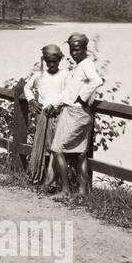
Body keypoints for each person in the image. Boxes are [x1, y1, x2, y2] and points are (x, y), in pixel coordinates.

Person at [50, 32, 105, 199]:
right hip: (74, 112)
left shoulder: (87, 64)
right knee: (80, 153)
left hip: (77, 113)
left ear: (84, 49)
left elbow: (96, 81)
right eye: (72, 50)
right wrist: (55, 104)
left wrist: (82, 97)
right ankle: (82, 192)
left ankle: (65, 191)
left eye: (77, 49)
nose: (74, 53)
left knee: (58, 148)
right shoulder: (79, 66)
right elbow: (69, 92)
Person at [22, 43, 68, 189]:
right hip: (44, 116)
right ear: (45, 61)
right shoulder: (39, 75)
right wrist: (32, 100)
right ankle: (39, 176)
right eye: (49, 62)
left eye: (55, 61)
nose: (52, 64)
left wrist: (55, 104)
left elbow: (68, 93)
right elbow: (27, 87)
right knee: (43, 145)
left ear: (60, 61)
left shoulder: (65, 74)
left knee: (56, 147)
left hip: (59, 115)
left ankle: (53, 181)